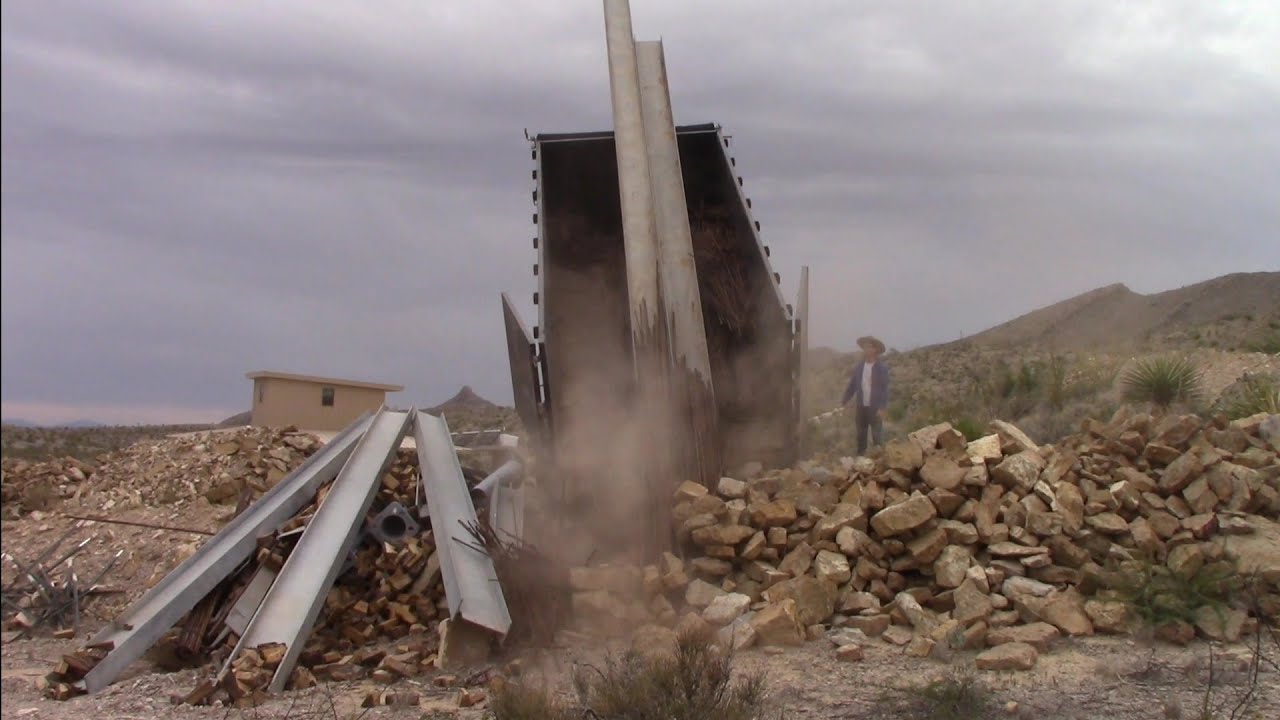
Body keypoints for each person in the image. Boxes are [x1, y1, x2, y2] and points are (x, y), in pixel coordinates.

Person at [841, 335, 890, 455]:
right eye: (865, 347)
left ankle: (881, 463)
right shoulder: (859, 367)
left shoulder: (881, 369)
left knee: (877, 437)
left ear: (875, 350)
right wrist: (844, 401)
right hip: (861, 407)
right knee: (861, 436)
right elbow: (852, 386)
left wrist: (882, 407)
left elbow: (884, 389)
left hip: (875, 408)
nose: (866, 349)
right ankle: (860, 461)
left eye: (869, 347)